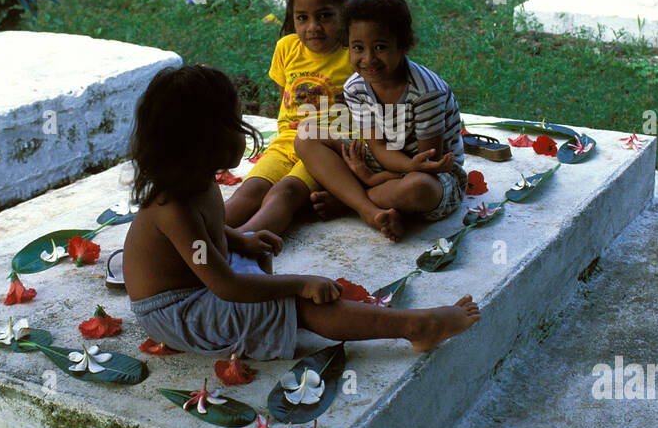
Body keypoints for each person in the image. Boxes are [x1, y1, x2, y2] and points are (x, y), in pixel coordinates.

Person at [122, 64, 480, 359]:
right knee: (299, 302)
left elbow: (204, 239)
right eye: (235, 123)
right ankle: (415, 327)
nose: (244, 132)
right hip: (181, 312)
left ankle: (273, 317)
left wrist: (239, 242)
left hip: (201, 284)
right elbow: (226, 285)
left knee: (260, 257)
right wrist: (300, 283)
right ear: (204, 139)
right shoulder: (174, 206)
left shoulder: (196, 181)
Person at [294, 0, 468, 242]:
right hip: (387, 163)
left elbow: (429, 162)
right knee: (306, 135)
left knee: (418, 188)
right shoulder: (356, 86)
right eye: (358, 48)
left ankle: (349, 200)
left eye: (380, 47)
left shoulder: (427, 92)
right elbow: (377, 147)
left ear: (403, 44)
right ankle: (368, 210)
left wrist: (379, 176)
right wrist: (375, 175)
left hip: (433, 174)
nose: (368, 59)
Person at [223, 0, 352, 236]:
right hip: (286, 143)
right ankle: (196, 241)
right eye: (302, 17)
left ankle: (240, 245)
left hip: (325, 151)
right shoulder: (286, 48)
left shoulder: (353, 55)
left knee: (285, 192)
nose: (313, 27)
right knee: (251, 189)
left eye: (325, 16)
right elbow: (287, 95)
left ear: (345, 12)